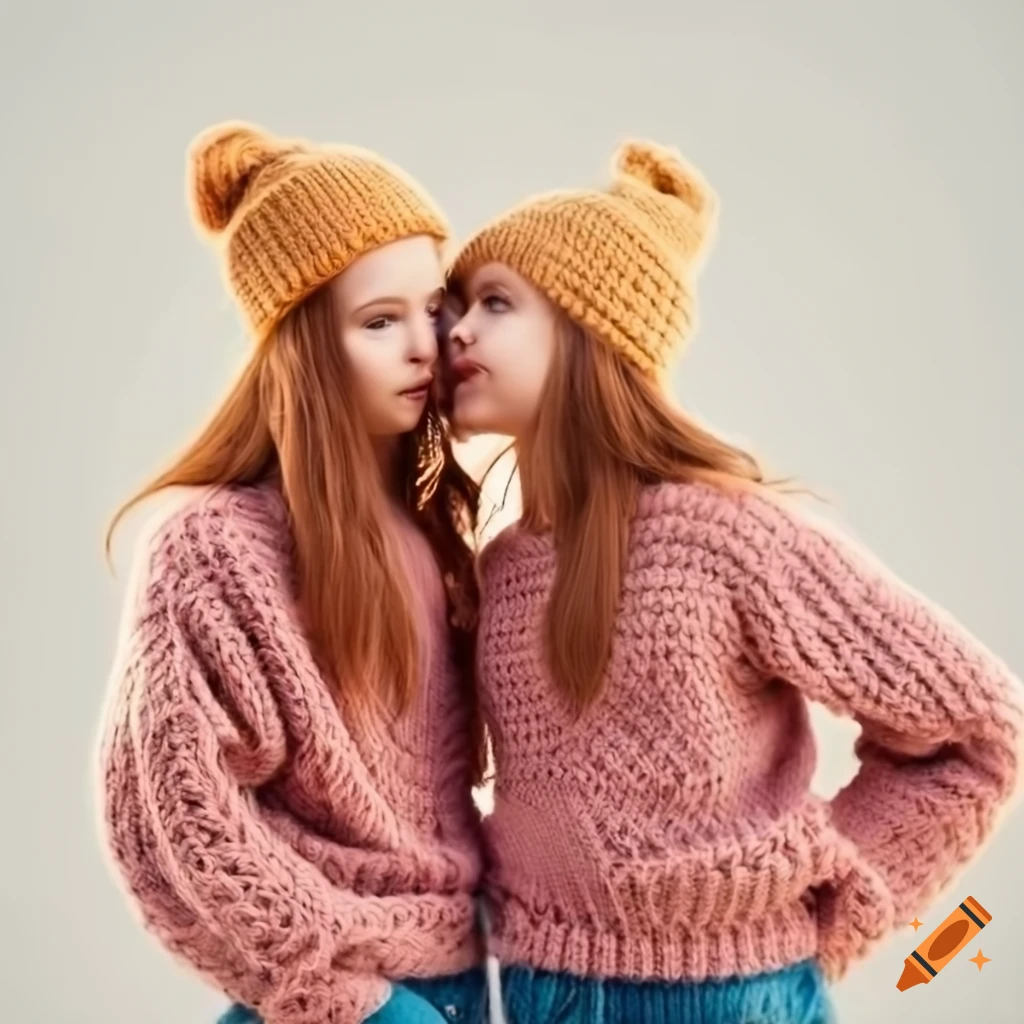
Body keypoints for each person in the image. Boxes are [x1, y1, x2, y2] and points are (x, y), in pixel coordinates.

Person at [443, 137, 1023, 1023]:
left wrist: (833, 903)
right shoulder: (506, 567)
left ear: (591, 329)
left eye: (494, 302)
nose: (457, 330)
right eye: (455, 305)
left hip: (726, 996)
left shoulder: (723, 536)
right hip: (536, 991)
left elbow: (977, 729)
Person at [98, 121, 489, 1024]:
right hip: (343, 1001)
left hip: (462, 979)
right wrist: (348, 994)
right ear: (305, 344)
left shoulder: (434, 528)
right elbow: (170, 809)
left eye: (434, 308)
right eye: (379, 322)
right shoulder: (217, 545)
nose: (426, 346)